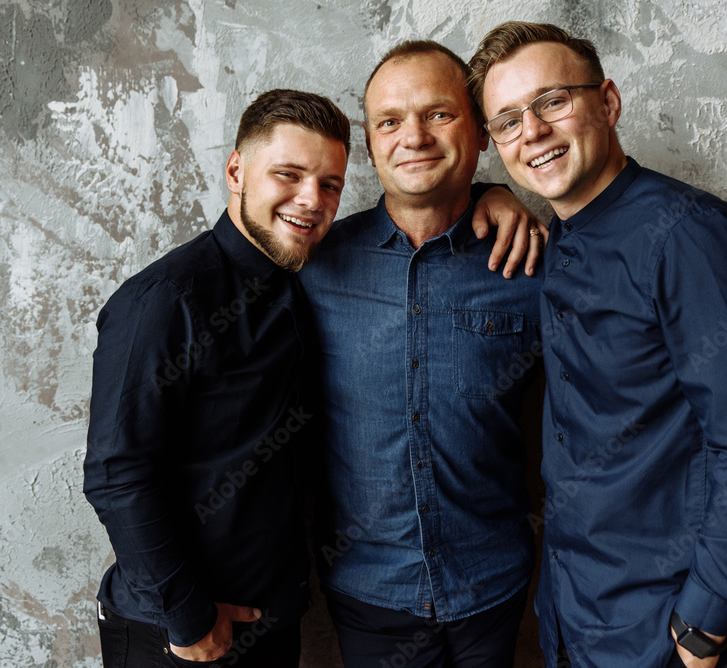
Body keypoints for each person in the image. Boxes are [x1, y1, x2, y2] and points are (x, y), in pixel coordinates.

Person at [468, 21, 727, 668]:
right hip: (574, 612)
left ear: (609, 102)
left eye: (552, 101)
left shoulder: (692, 239)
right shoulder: (556, 236)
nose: (531, 130)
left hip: (667, 628)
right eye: (507, 120)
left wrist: (705, 620)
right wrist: (489, 193)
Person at [83, 89, 351, 667]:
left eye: (330, 184)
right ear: (236, 171)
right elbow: (116, 473)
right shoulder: (163, 300)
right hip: (181, 633)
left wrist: (492, 195)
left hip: (272, 618)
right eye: (289, 174)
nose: (312, 200)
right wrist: (189, 618)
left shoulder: (300, 277)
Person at [298, 41, 545, 667]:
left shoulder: (533, 263)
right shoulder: (313, 268)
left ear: (481, 132)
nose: (414, 137)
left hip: (493, 583)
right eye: (390, 121)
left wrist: (499, 192)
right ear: (369, 143)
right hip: (368, 591)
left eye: (439, 114)